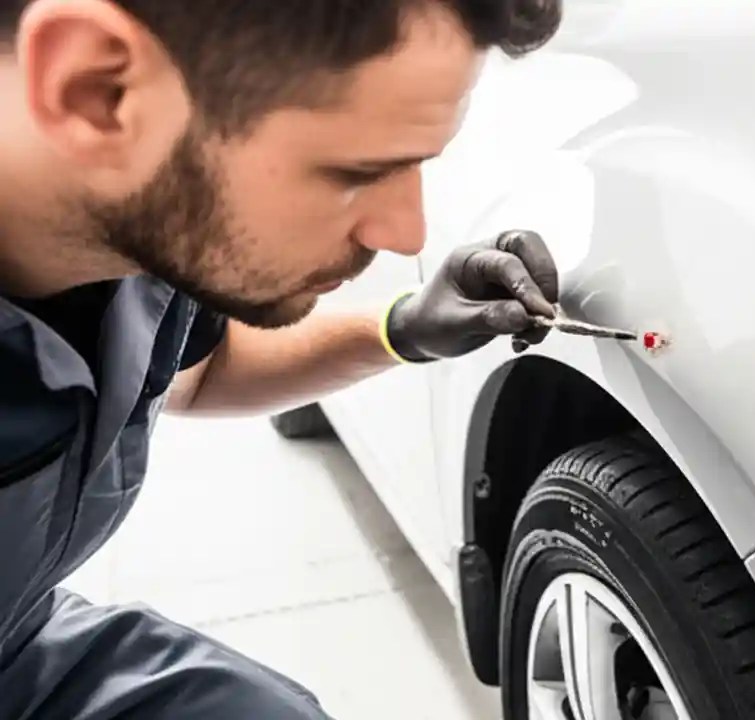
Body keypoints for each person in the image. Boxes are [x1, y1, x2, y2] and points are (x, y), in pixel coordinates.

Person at [0, 0, 563, 717]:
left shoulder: (134, 223)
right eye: (357, 172)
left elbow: (194, 375)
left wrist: (402, 330)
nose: (406, 232)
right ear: (93, 89)